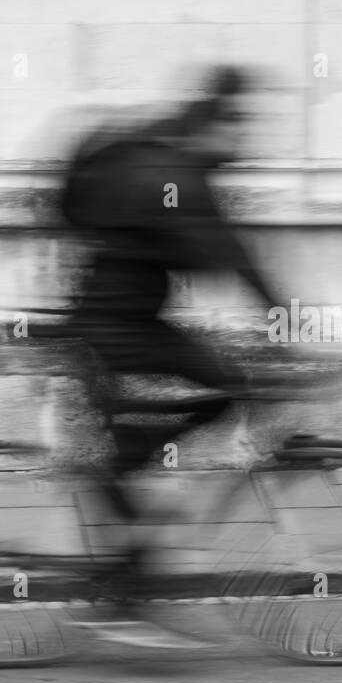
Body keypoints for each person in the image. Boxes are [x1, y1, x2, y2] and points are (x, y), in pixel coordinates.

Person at [50, 65, 286, 640]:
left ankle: (133, 476)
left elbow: (219, 251)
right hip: (114, 329)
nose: (248, 142)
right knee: (235, 388)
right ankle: (124, 594)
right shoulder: (173, 175)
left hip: (121, 320)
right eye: (242, 126)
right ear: (216, 122)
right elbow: (233, 257)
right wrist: (294, 328)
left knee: (221, 388)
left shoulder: (161, 158)